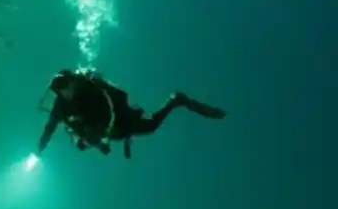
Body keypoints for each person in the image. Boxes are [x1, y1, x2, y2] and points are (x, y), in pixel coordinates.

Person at [36, 68, 226, 159]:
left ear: (71, 80)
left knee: (151, 126)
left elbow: (105, 109)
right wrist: (43, 141)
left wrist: (96, 131)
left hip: (118, 120)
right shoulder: (61, 104)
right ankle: (95, 138)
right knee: (86, 141)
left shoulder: (89, 90)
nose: (62, 91)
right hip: (103, 131)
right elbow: (52, 122)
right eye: (57, 89)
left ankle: (176, 100)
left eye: (64, 84)